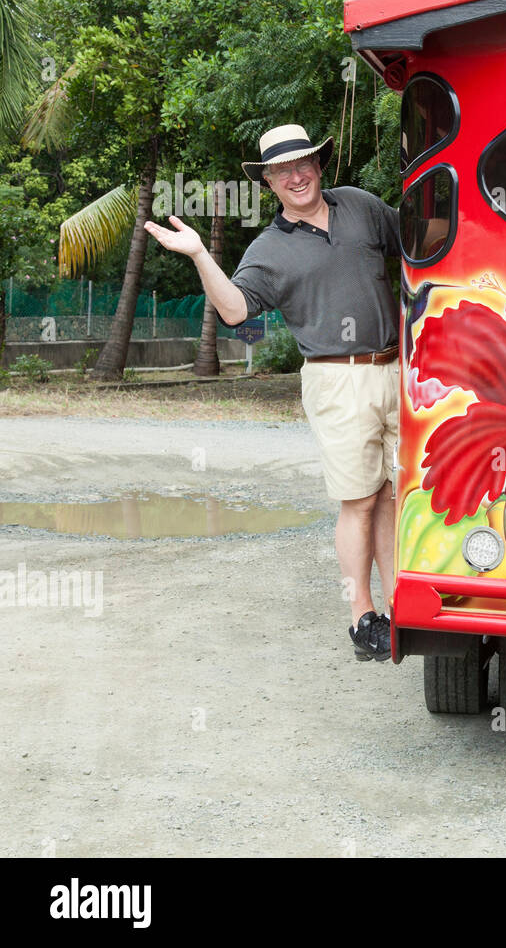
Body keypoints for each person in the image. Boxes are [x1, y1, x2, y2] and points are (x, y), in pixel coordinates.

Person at [145, 125, 399, 662]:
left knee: (395, 497)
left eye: (303, 162)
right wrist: (197, 254)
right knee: (358, 501)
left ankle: (403, 610)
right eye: (281, 170)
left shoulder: (362, 207)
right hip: (336, 378)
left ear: (319, 164)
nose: (295, 175)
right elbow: (236, 311)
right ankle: (362, 619)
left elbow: (420, 251)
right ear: (267, 182)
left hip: (398, 368)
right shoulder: (269, 248)